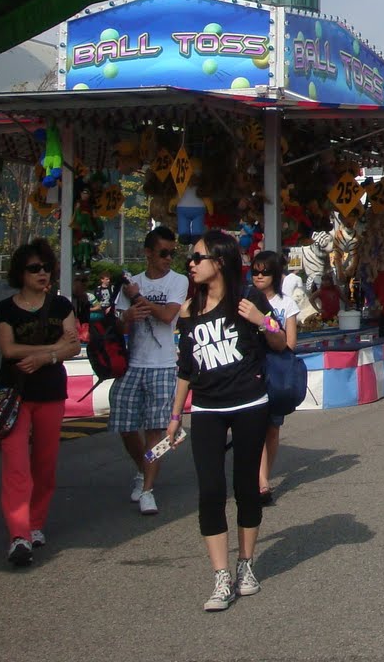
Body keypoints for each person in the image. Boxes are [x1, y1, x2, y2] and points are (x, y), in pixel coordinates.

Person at [166, 230, 285, 611]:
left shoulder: (247, 299)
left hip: (250, 403)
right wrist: (174, 416)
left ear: (219, 262)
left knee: (246, 488)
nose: (191, 263)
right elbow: (186, 367)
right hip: (207, 408)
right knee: (210, 492)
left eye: (198, 257)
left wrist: (262, 321)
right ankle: (221, 578)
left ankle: (245, 565)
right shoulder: (187, 311)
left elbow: (281, 342)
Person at [0, 240, 80, 565]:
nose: (42, 273)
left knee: (44, 464)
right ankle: (19, 534)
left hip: (51, 393)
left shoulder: (60, 306)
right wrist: (52, 349)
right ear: (20, 273)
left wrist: (47, 358)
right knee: (16, 466)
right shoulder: (6, 309)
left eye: (46, 267)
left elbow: (72, 347)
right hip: (14, 396)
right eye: (34, 268)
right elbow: (9, 350)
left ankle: (36, 522)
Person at [111, 225, 189, 516]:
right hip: (133, 363)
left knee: (156, 431)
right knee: (125, 423)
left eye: (172, 253)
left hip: (164, 363)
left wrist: (138, 299)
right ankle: (143, 469)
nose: (168, 258)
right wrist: (129, 314)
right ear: (148, 253)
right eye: (163, 253)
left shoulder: (178, 281)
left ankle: (148, 490)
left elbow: (169, 315)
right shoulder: (133, 283)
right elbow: (119, 323)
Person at [250, 250, 299, 504]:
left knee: (272, 428)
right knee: (255, 426)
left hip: (276, 369)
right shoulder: (246, 299)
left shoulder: (286, 303)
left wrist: (266, 325)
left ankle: (263, 475)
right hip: (251, 371)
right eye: (254, 271)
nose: (258, 276)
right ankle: (261, 482)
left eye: (264, 272)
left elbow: (290, 343)